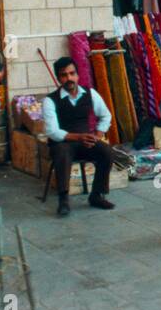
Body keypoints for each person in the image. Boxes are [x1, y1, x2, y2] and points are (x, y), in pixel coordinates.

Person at [42, 56, 116, 217]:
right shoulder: (50, 100)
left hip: (86, 141)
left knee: (107, 152)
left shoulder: (90, 94)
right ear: (58, 78)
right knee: (62, 152)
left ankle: (96, 195)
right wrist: (79, 137)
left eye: (72, 73)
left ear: (77, 75)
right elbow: (52, 131)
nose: (69, 78)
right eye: (64, 75)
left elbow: (106, 116)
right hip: (62, 142)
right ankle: (63, 199)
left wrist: (96, 135)